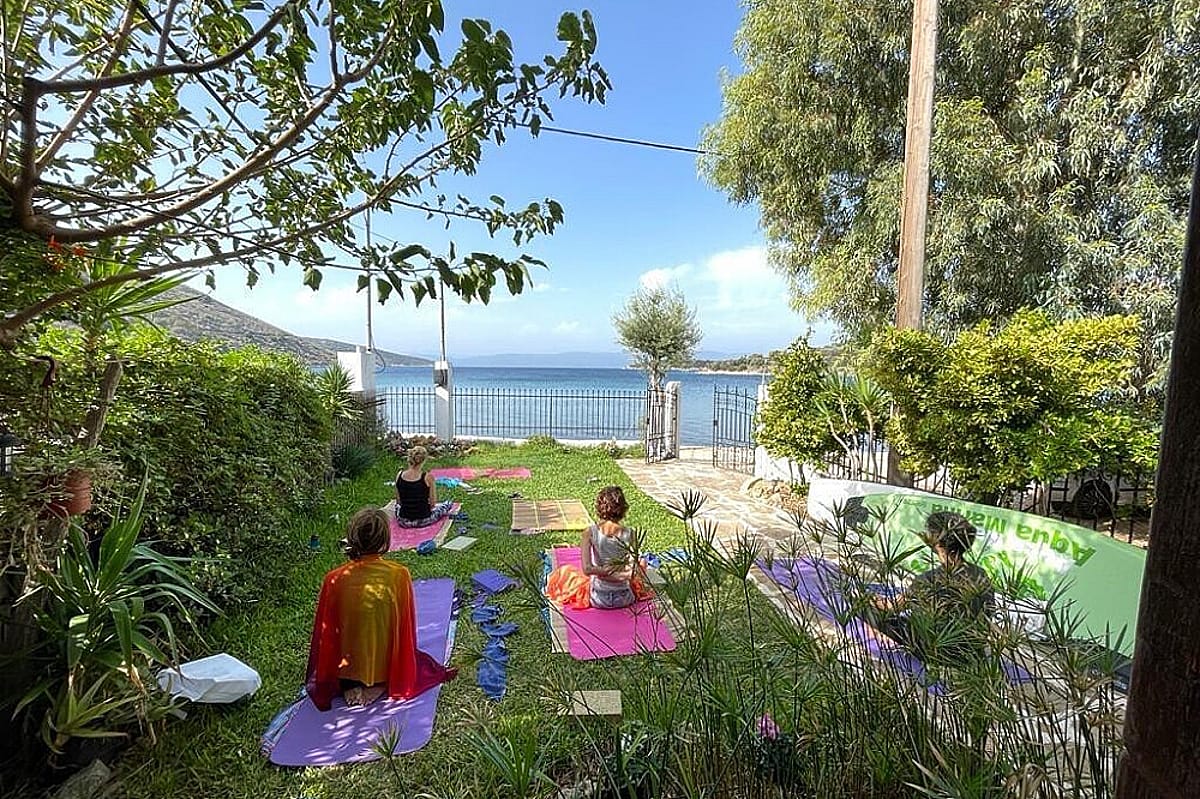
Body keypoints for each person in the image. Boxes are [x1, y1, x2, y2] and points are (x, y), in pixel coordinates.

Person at [305, 508, 456, 710]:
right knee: (381, 636)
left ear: (352, 539)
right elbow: (404, 629)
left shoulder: (333, 578)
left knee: (356, 636)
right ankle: (380, 681)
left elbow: (327, 636)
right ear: (385, 541)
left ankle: (351, 683)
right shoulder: (399, 575)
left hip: (346, 665)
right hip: (384, 663)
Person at [870, 510, 995, 661]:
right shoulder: (981, 574)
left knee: (880, 618)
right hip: (971, 652)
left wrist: (870, 599)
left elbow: (894, 607)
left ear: (936, 543)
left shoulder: (928, 580)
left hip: (935, 650)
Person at [580, 485, 639, 609]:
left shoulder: (589, 532)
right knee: (643, 563)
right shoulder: (630, 533)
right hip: (624, 597)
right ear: (623, 508)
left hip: (599, 598)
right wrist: (617, 575)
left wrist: (603, 572)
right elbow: (632, 572)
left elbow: (587, 569)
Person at [394, 446, 453, 527]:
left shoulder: (399, 475)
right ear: (424, 460)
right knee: (447, 505)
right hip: (423, 519)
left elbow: (398, 501)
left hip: (403, 520)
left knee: (396, 508)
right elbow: (433, 504)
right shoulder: (428, 477)